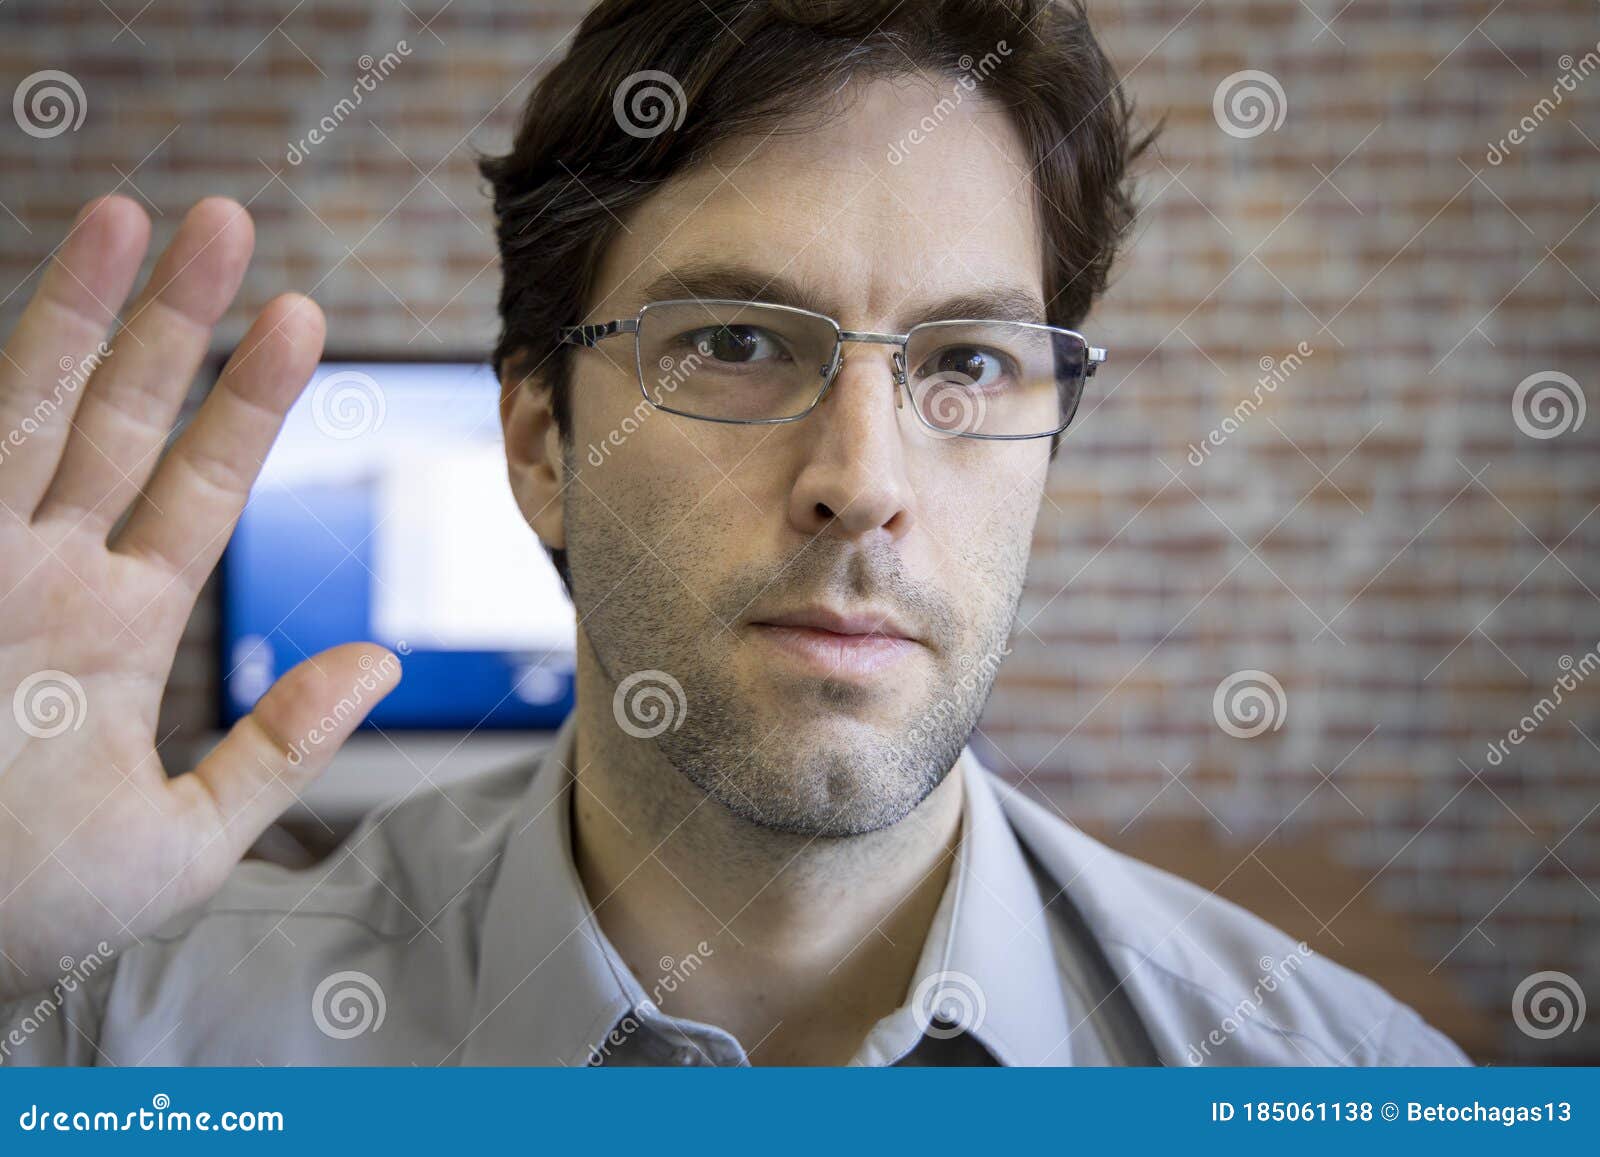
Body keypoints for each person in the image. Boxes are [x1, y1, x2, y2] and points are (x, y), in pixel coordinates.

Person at [0, 0, 1467, 1066]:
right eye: (737, 342)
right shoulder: (139, 1049)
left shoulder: (1341, 1083)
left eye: (966, 362)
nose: (863, 480)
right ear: (543, 447)